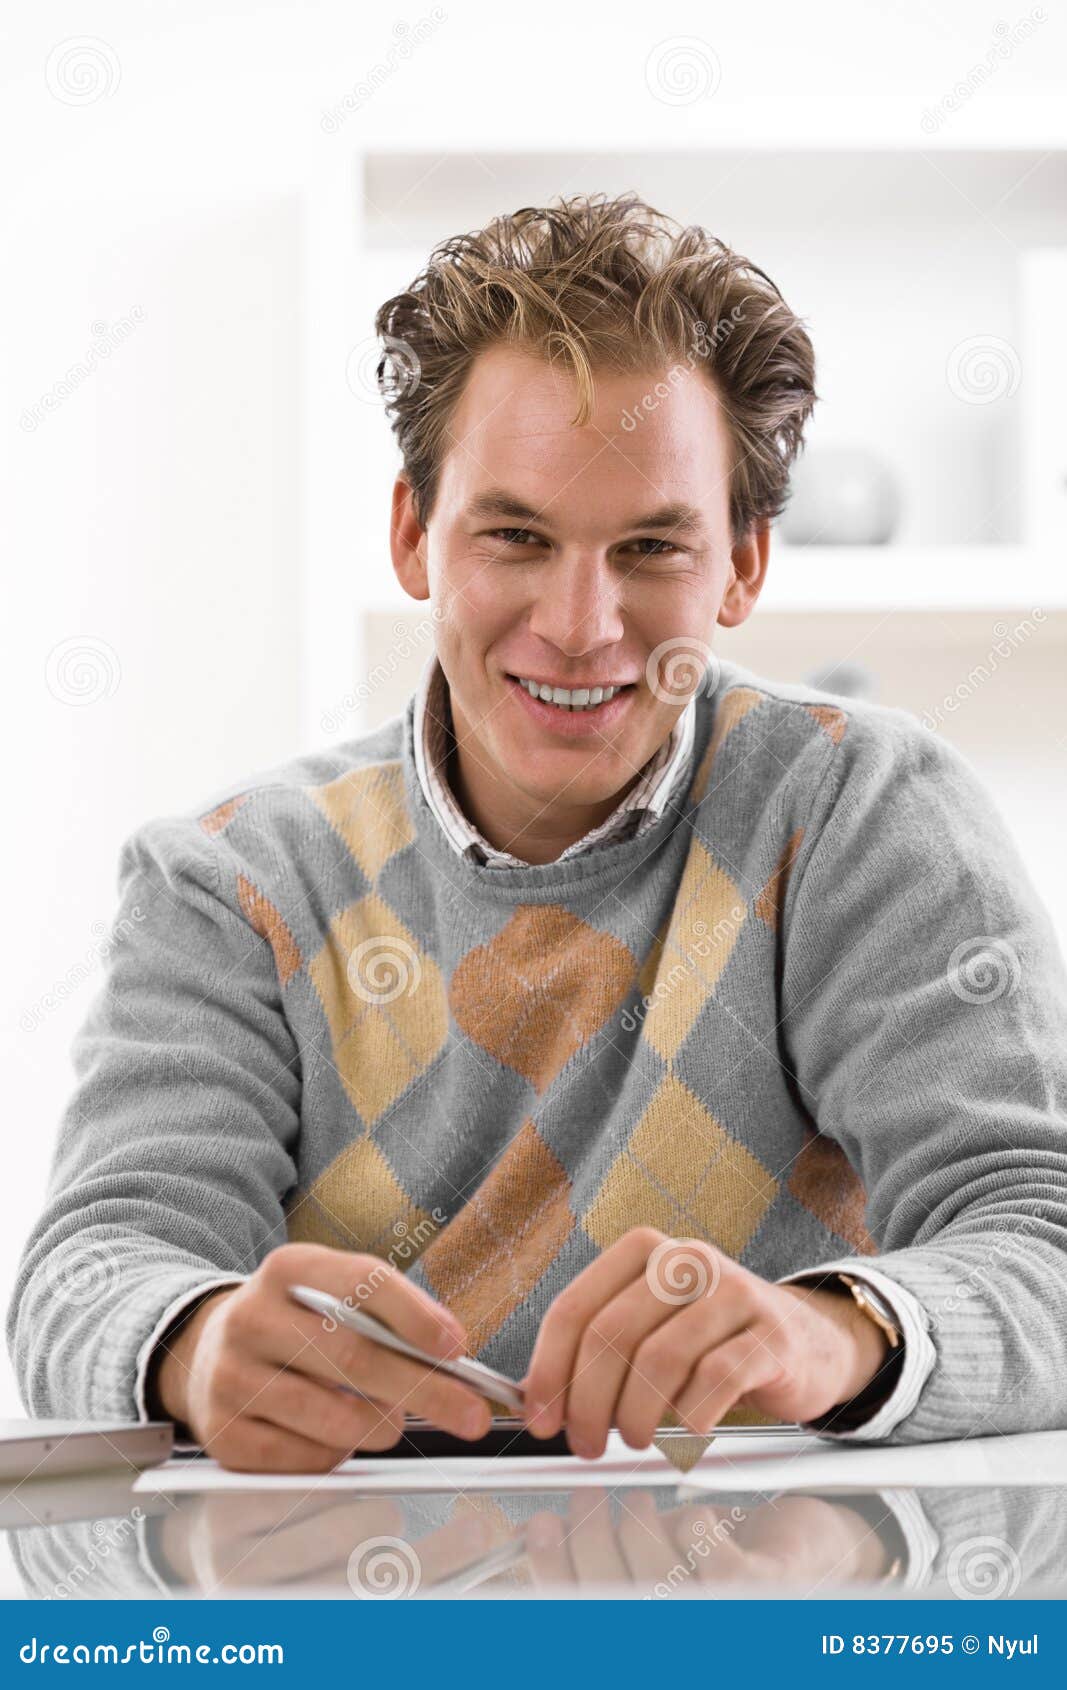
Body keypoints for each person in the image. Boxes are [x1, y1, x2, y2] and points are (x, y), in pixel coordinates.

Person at [10, 193, 1067, 1472]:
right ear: (413, 536)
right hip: (338, 1578)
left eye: (650, 547)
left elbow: (1039, 1232)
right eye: (515, 535)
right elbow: (94, 1267)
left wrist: (823, 1335)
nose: (578, 626)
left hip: (762, 1564)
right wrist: (193, 1340)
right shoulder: (232, 881)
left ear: (742, 564)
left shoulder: (855, 814)